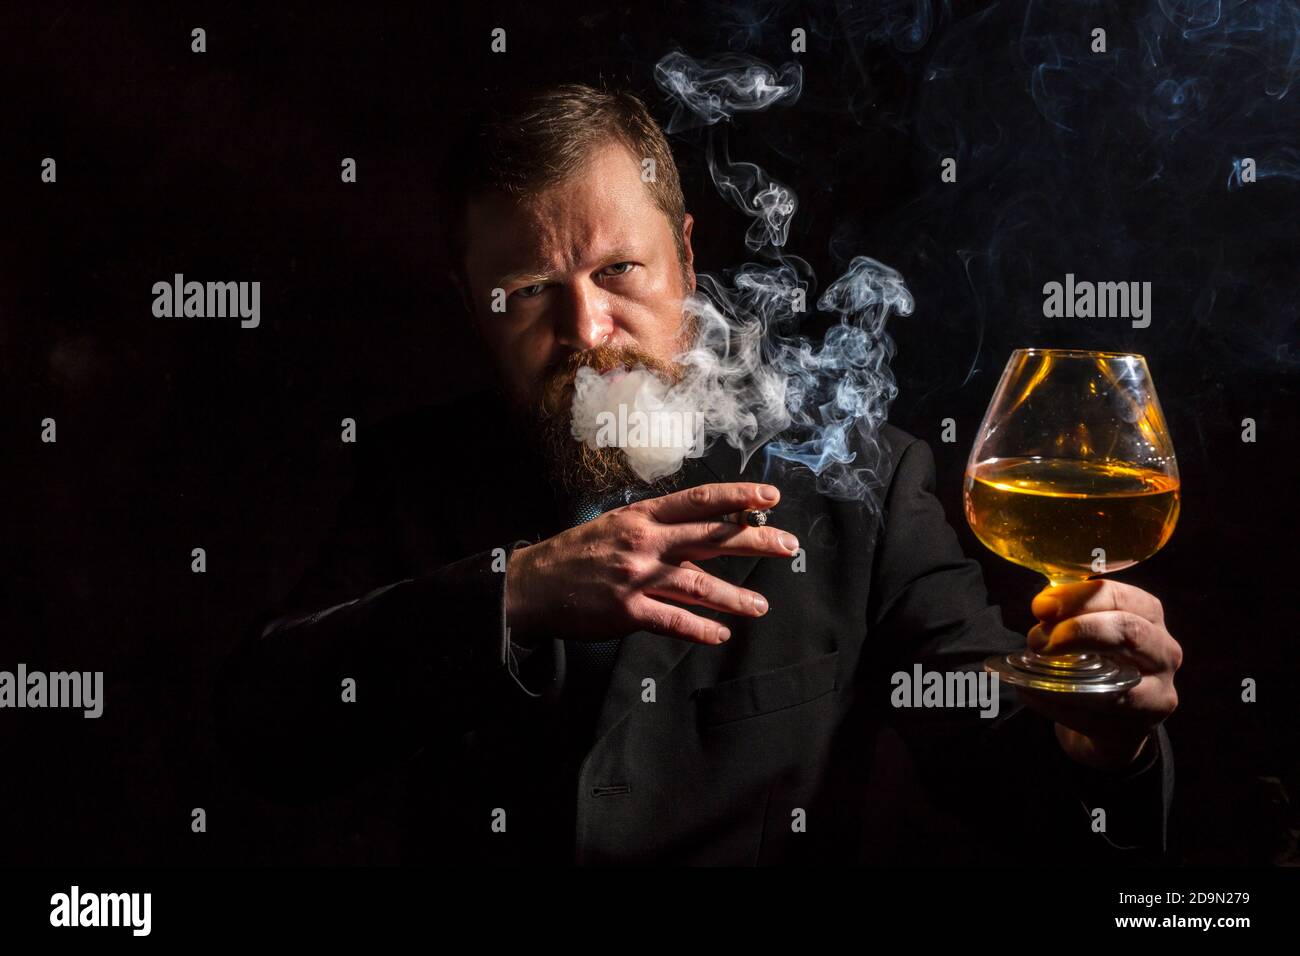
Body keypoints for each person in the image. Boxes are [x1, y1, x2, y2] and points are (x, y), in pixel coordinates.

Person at [216, 82, 1180, 865]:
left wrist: (1104, 740)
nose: (586, 332)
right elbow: (269, 729)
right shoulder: (417, 477)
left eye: (619, 271)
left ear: (684, 255)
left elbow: (1024, 791)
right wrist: (516, 595)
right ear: (473, 306)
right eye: (530, 293)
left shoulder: (857, 484)